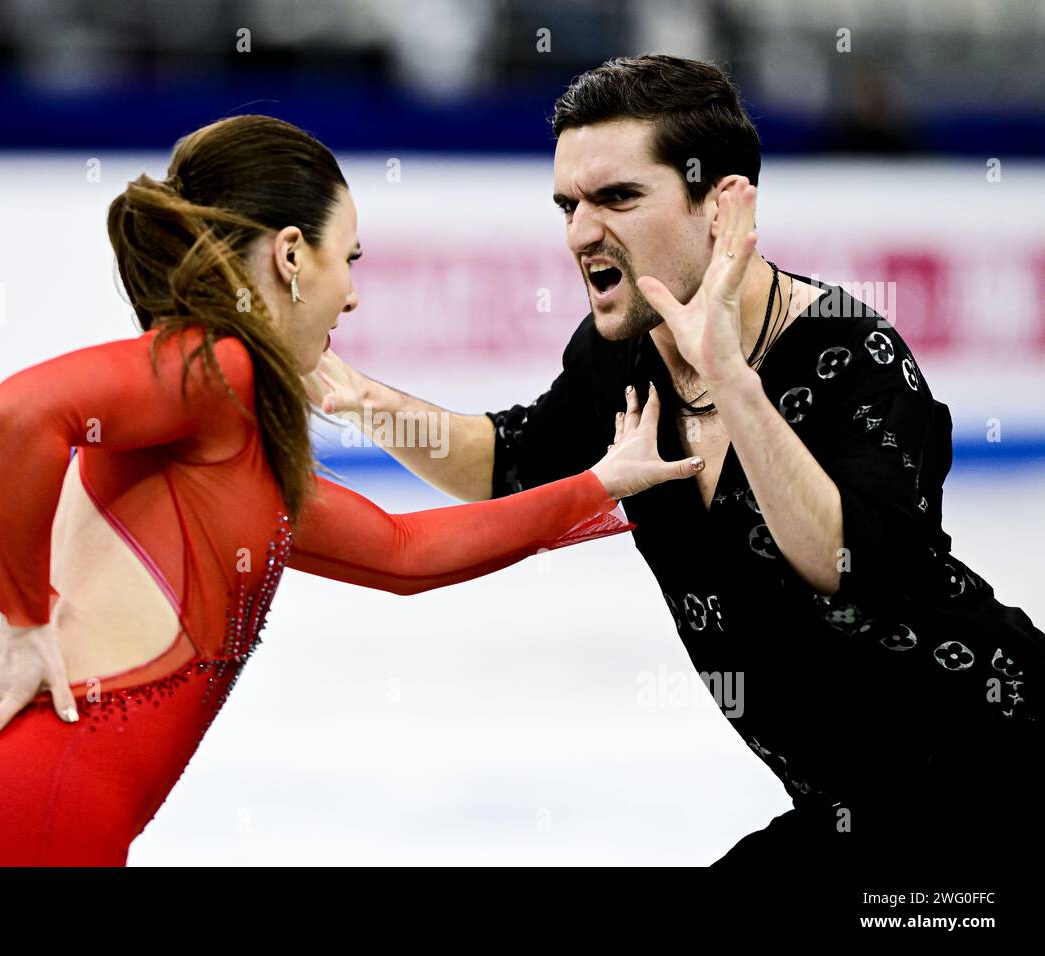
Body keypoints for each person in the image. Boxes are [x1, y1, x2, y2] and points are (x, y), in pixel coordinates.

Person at [0, 114, 703, 866]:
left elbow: (406, 553)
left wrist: (601, 482)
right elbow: (23, 412)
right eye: (350, 260)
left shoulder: (236, 438)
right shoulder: (214, 365)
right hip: (26, 822)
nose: (353, 291)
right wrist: (21, 620)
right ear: (292, 254)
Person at [305, 55, 1045, 869]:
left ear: (722, 205)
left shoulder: (850, 352)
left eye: (619, 197)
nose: (582, 231)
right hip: (854, 813)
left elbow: (844, 562)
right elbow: (505, 463)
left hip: (1000, 781)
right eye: (568, 205)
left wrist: (728, 374)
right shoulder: (619, 358)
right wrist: (360, 399)